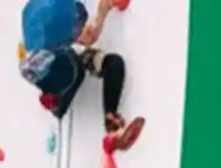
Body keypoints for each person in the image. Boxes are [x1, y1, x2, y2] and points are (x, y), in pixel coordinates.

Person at [19, 0, 143, 151]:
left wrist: (98, 21)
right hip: (58, 58)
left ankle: (111, 118)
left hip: (68, 47)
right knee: (73, 73)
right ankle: (57, 101)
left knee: (113, 63)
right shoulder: (43, 43)